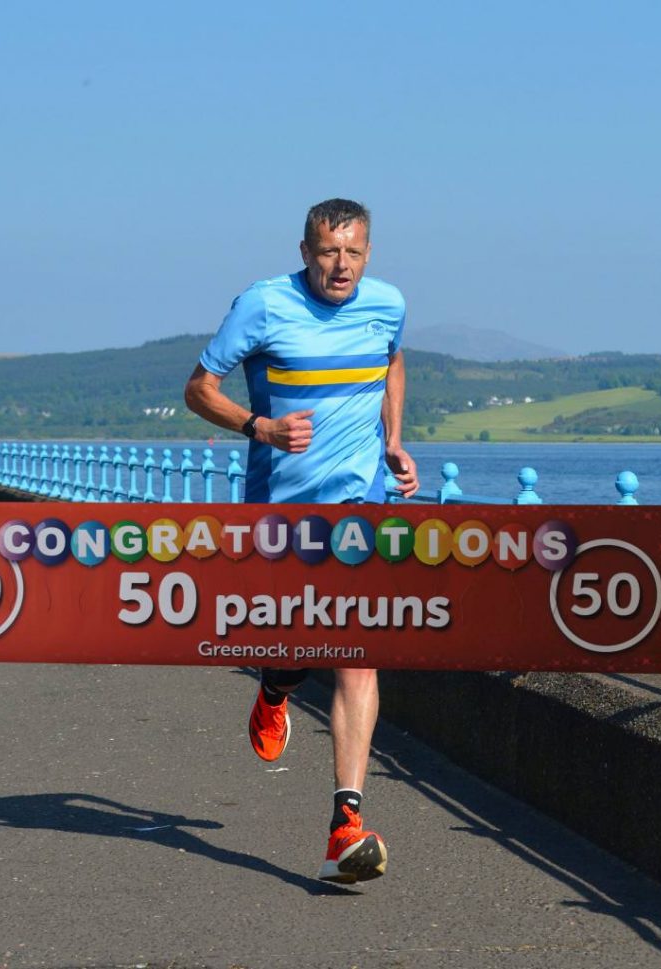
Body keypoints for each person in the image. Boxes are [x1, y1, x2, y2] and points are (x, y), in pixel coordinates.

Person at [184, 198, 419, 884]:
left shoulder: (387, 303)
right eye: (326, 252)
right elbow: (199, 389)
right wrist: (259, 426)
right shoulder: (262, 305)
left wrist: (395, 440)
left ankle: (345, 825)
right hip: (280, 515)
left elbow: (392, 363)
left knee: (358, 654)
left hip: (359, 507)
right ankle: (277, 682)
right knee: (298, 646)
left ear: (368, 252)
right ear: (304, 250)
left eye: (351, 252)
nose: (339, 266)